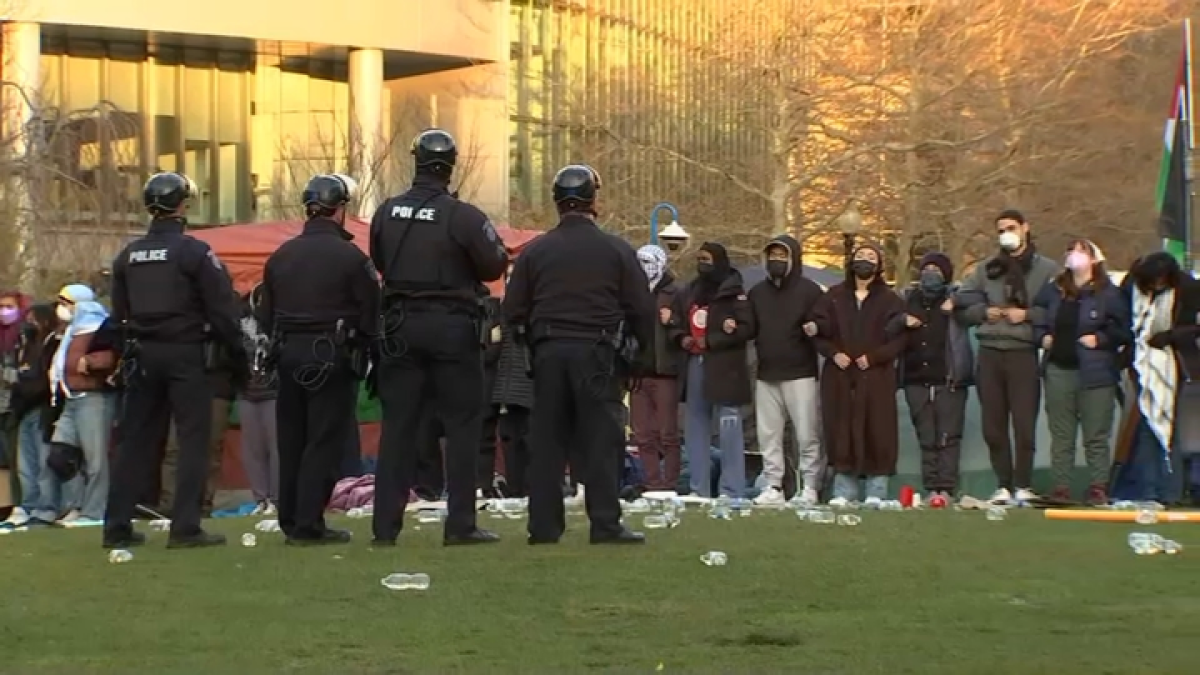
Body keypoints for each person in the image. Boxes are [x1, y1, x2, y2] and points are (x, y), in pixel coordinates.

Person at [369, 129, 509, 546]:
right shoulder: (463, 216)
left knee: (398, 429)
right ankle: (461, 524)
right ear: (451, 167)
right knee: (463, 426)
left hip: (398, 328)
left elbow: (379, 259)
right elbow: (493, 265)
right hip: (451, 327)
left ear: (415, 162)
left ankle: (384, 527)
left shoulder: (386, 213)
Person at [503, 164, 654, 545]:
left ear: (557, 202)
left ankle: (544, 526)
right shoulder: (616, 250)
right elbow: (642, 309)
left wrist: (532, 345)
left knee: (547, 441)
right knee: (602, 439)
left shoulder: (536, 252)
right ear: (593, 200)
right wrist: (638, 357)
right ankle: (605, 523)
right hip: (597, 353)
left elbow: (513, 310)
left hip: (549, 352)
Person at [103, 171, 246, 550]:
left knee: (134, 441)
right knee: (193, 440)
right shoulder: (194, 252)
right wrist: (239, 351)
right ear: (183, 205)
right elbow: (222, 309)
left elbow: (118, 314)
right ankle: (185, 526)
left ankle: (115, 525)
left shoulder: (128, 256)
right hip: (186, 353)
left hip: (143, 354)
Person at [257, 173, 379, 546]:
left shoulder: (281, 256)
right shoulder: (352, 257)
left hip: (288, 355)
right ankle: (309, 523)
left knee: (292, 438)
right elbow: (372, 314)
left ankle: (290, 518)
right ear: (339, 209)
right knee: (324, 440)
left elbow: (265, 314)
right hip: (331, 355)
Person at [955, 209, 1059, 504]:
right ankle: (1003, 484)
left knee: (1024, 424)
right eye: (1000, 230)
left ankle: (1023, 484)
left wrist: (1026, 315)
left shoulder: (1047, 270)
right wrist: (983, 312)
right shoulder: (986, 268)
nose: (1006, 234)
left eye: (1011, 228)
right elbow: (965, 299)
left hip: (1022, 352)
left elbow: (1058, 309)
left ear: (1026, 228)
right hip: (989, 351)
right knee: (993, 424)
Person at [1031, 240, 1129, 505]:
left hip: (1096, 374)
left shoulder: (1108, 293)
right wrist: (1042, 337)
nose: (1074, 255)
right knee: (1061, 434)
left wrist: (1101, 340)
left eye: (1082, 251)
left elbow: (1124, 329)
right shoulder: (1054, 289)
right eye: (1072, 250)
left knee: (1096, 434)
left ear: (1095, 259)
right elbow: (1038, 315)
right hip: (1059, 369)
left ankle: (1098, 486)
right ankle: (1061, 487)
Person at [811, 242, 906, 504]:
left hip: (876, 378)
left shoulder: (890, 300)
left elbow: (900, 339)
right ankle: (844, 492)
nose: (865, 260)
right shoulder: (833, 296)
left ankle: (876, 492)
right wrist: (833, 353)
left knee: (878, 431)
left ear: (879, 265)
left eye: (871, 257)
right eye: (860, 256)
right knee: (841, 430)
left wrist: (874, 358)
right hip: (840, 378)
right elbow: (818, 332)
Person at [666, 242, 754, 499]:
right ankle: (699, 488)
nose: (702, 263)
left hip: (726, 367)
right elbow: (674, 323)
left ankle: (731, 489)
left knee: (729, 428)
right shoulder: (689, 291)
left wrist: (714, 339)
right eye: (699, 259)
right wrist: (682, 339)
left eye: (707, 259)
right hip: (695, 363)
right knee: (695, 427)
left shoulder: (735, 292)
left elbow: (747, 328)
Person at [1111, 252, 1200, 504]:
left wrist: (1171, 336)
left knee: (1165, 424)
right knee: (1143, 426)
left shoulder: (1188, 288)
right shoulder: (1132, 286)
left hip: (1172, 363)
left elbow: (1194, 326)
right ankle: (1146, 487)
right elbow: (1122, 322)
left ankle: (1167, 489)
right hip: (1140, 362)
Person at [748, 235, 825, 506]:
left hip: (801, 373)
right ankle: (773, 486)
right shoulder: (757, 293)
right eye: (772, 256)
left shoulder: (810, 291)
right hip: (767, 374)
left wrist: (816, 328)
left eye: (782, 256)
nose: (776, 261)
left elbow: (824, 322)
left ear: (793, 258)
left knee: (807, 434)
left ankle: (810, 488)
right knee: (768, 435)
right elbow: (749, 328)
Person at [893, 253, 974, 500]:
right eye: (926, 269)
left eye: (936, 270)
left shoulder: (955, 297)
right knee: (926, 436)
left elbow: (977, 303)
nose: (930, 273)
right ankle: (931, 488)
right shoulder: (907, 299)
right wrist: (901, 320)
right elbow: (887, 322)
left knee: (948, 436)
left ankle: (946, 488)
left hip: (948, 378)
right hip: (915, 378)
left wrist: (957, 302)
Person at [48, 293, 118, 528]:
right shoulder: (71, 331)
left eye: (66, 304)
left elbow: (113, 353)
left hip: (93, 397)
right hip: (71, 398)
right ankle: (75, 505)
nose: (62, 309)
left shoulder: (100, 327)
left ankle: (95, 511)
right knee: (60, 454)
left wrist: (91, 362)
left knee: (95, 459)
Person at [630, 244, 683, 492]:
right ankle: (652, 484)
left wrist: (671, 320)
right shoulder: (632, 292)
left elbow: (683, 329)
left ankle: (669, 483)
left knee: (668, 433)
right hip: (638, 373)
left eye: (649, 262)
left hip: (665, 372)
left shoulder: (675, 293)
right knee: (642, 434)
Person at [4, 304, 53, 528]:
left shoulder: (44, 345)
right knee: (25, 464)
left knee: (42, 461)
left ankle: (46, 507)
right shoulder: (23, 345)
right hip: (22, 409)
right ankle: (28, 505)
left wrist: (21, 388)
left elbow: (39, 380)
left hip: (39, 407)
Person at [491, 264, 535, 496]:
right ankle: (515, 486)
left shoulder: (533, 311)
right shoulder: (497, 310)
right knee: (510, 439)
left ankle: (529, 488)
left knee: (530, 439)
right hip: (504, 387)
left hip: (528, 385)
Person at [238, 283, 279, 515]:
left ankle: (276, 499)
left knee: (276, 448)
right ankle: (260, 499)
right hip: (247, 392)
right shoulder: (240, 328)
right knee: (252, 450)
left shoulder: (279, 327)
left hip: (274, 392)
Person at [479, 288, 504, 497]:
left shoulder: (491, 312)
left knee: (483, 437)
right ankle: (482, 484)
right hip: (488, 384)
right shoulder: (495, 315)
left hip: (484, 384)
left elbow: (491, 350)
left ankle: (481, 484)